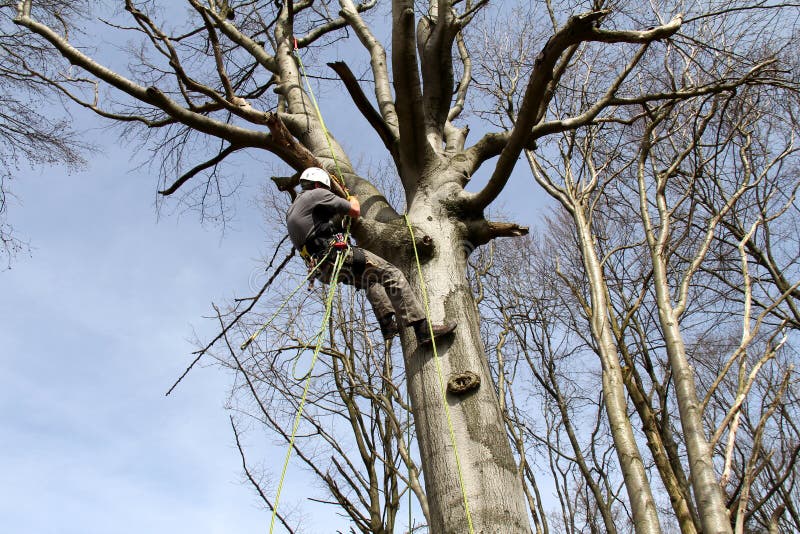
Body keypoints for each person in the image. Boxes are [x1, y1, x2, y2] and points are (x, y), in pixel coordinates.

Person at [286, 167, 456, 344]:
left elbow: (319, 229)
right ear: (317, 184)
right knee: (392, 273)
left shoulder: (294, 208)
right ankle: (423, 329)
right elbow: (354, 210)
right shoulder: (316, 194)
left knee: (371, 278)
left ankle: (387, 324)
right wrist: (351, 197)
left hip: (322, 270)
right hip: (334, 256)